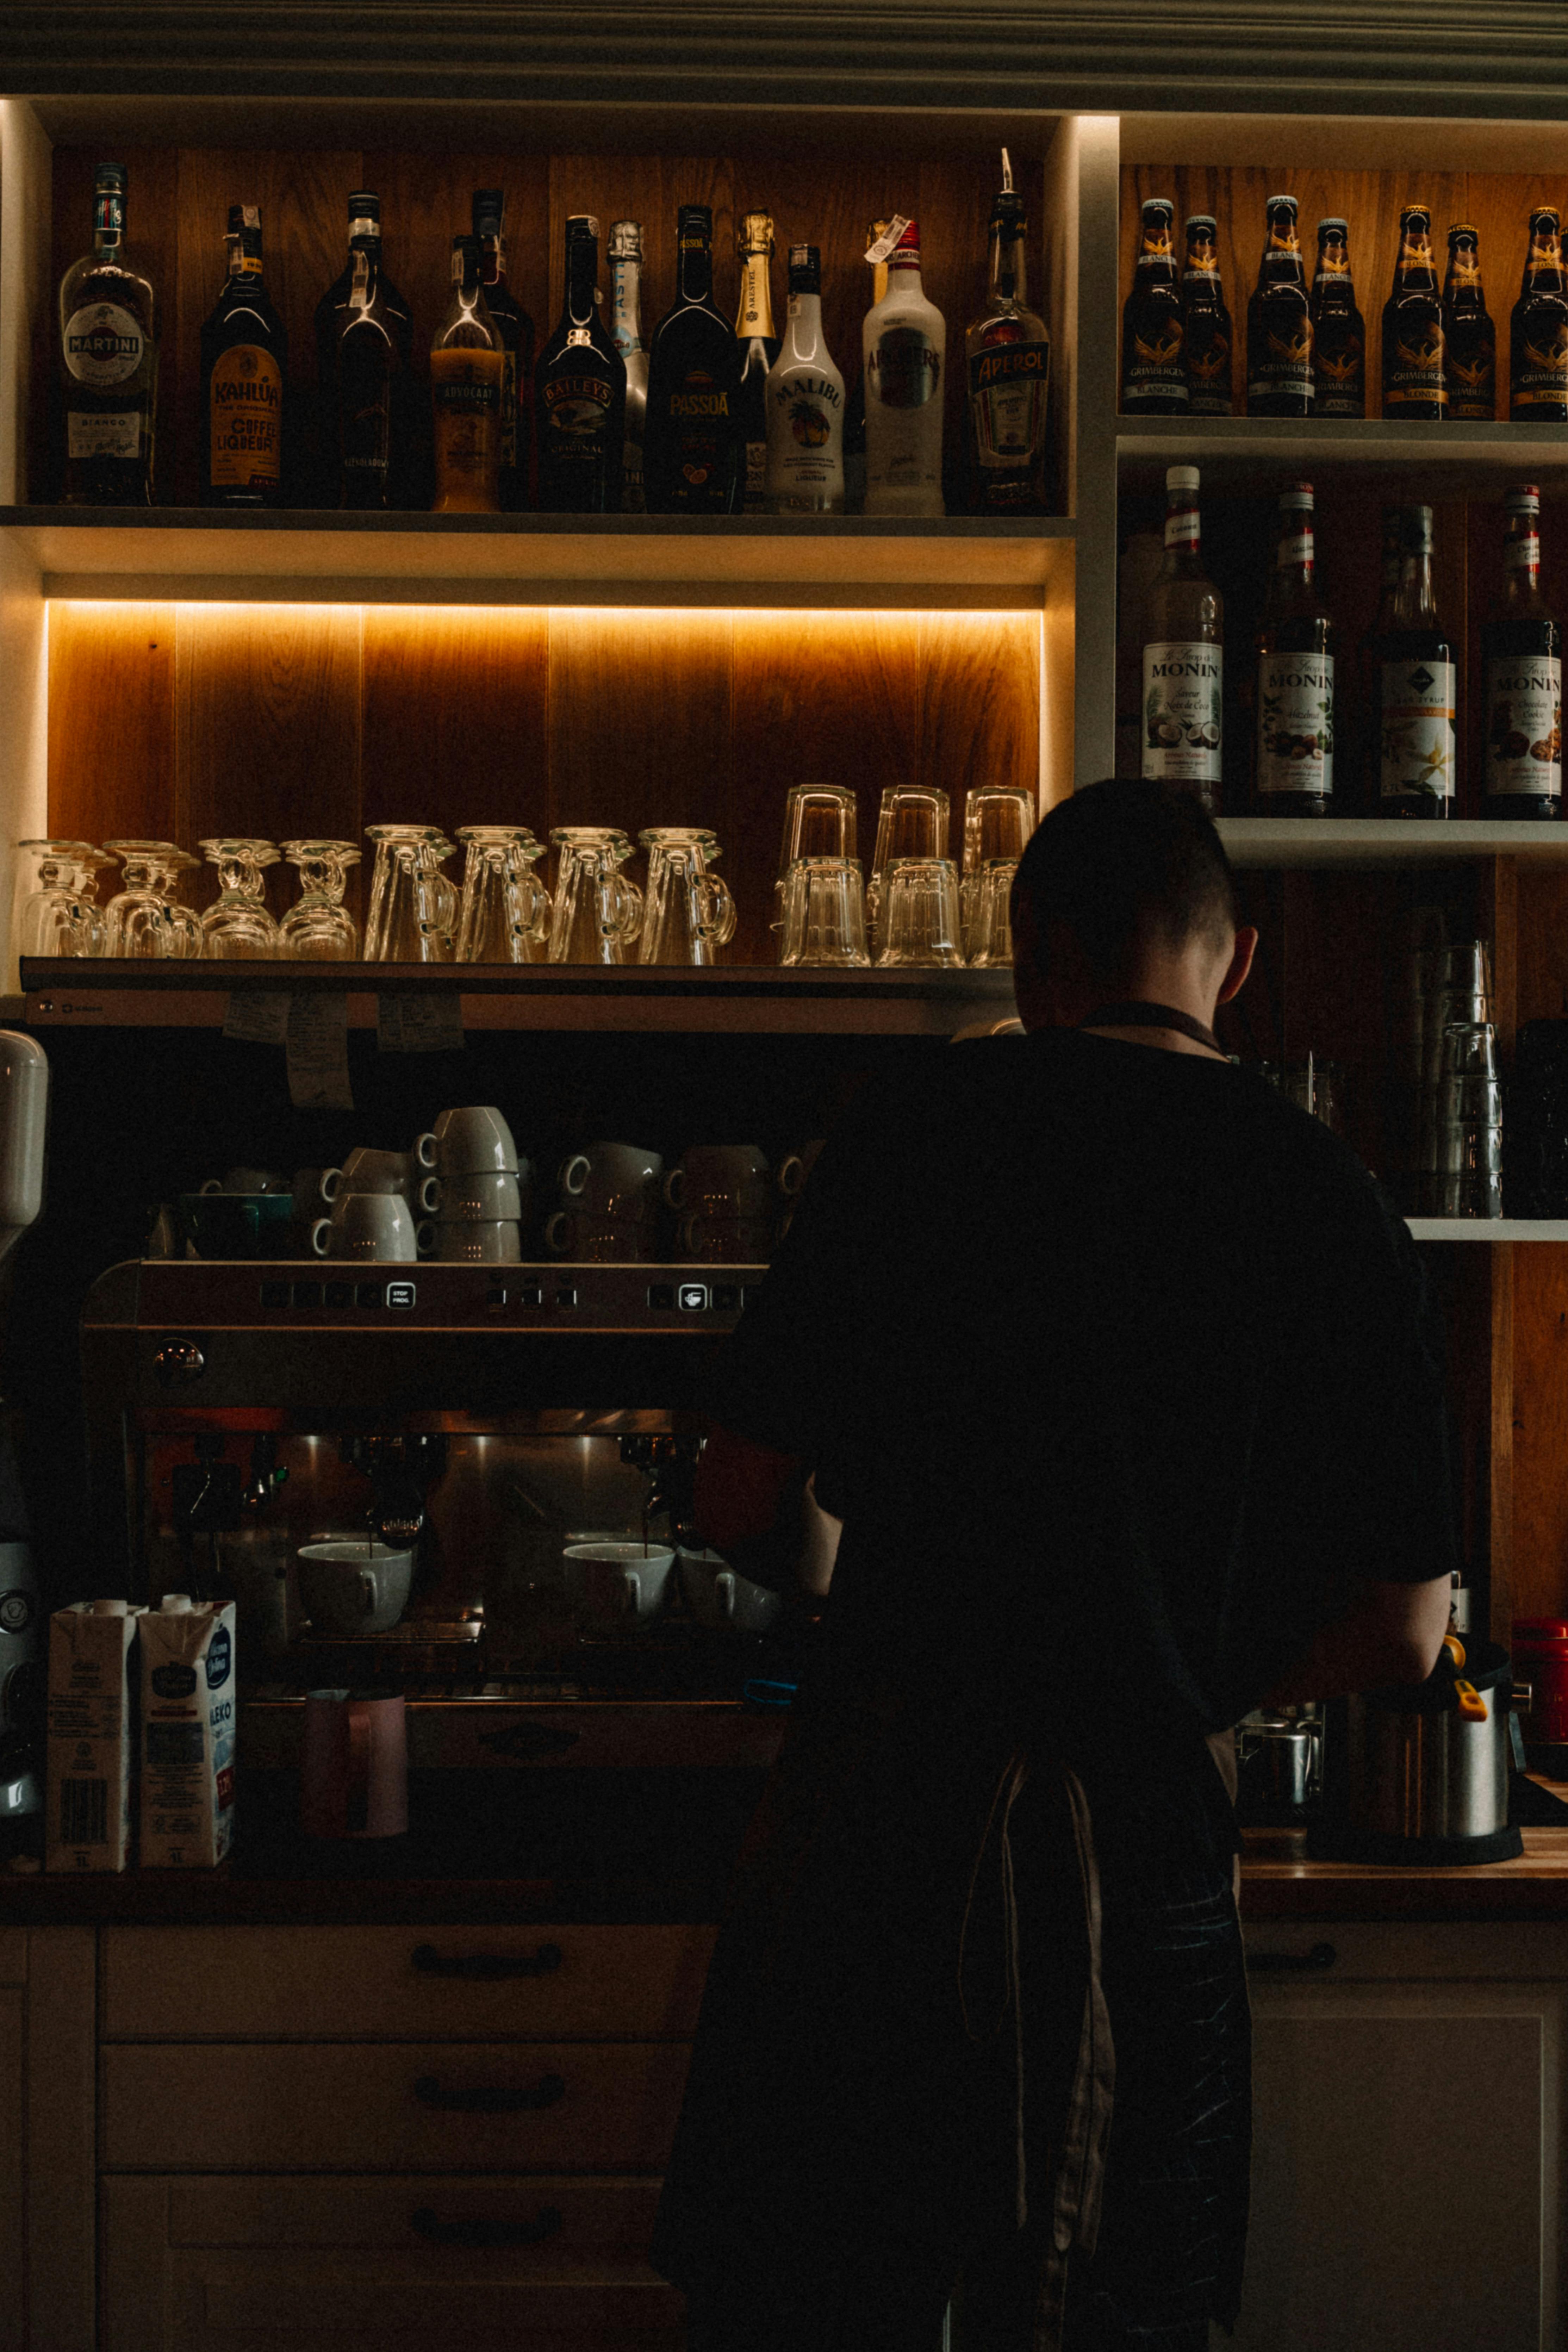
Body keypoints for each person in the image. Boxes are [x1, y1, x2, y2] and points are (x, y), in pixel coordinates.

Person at [651, 779, 1456, 2352]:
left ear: (1036, 961)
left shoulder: (912, 1129)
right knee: (1116, 2315)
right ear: (1236, 967)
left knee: (821, 2301)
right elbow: (1408, 1628)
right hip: (1135, 1865)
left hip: (881, 1839)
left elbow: (742, 1492)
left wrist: (860, 1583)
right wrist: (1196, 1683)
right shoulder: (1331, 1198)